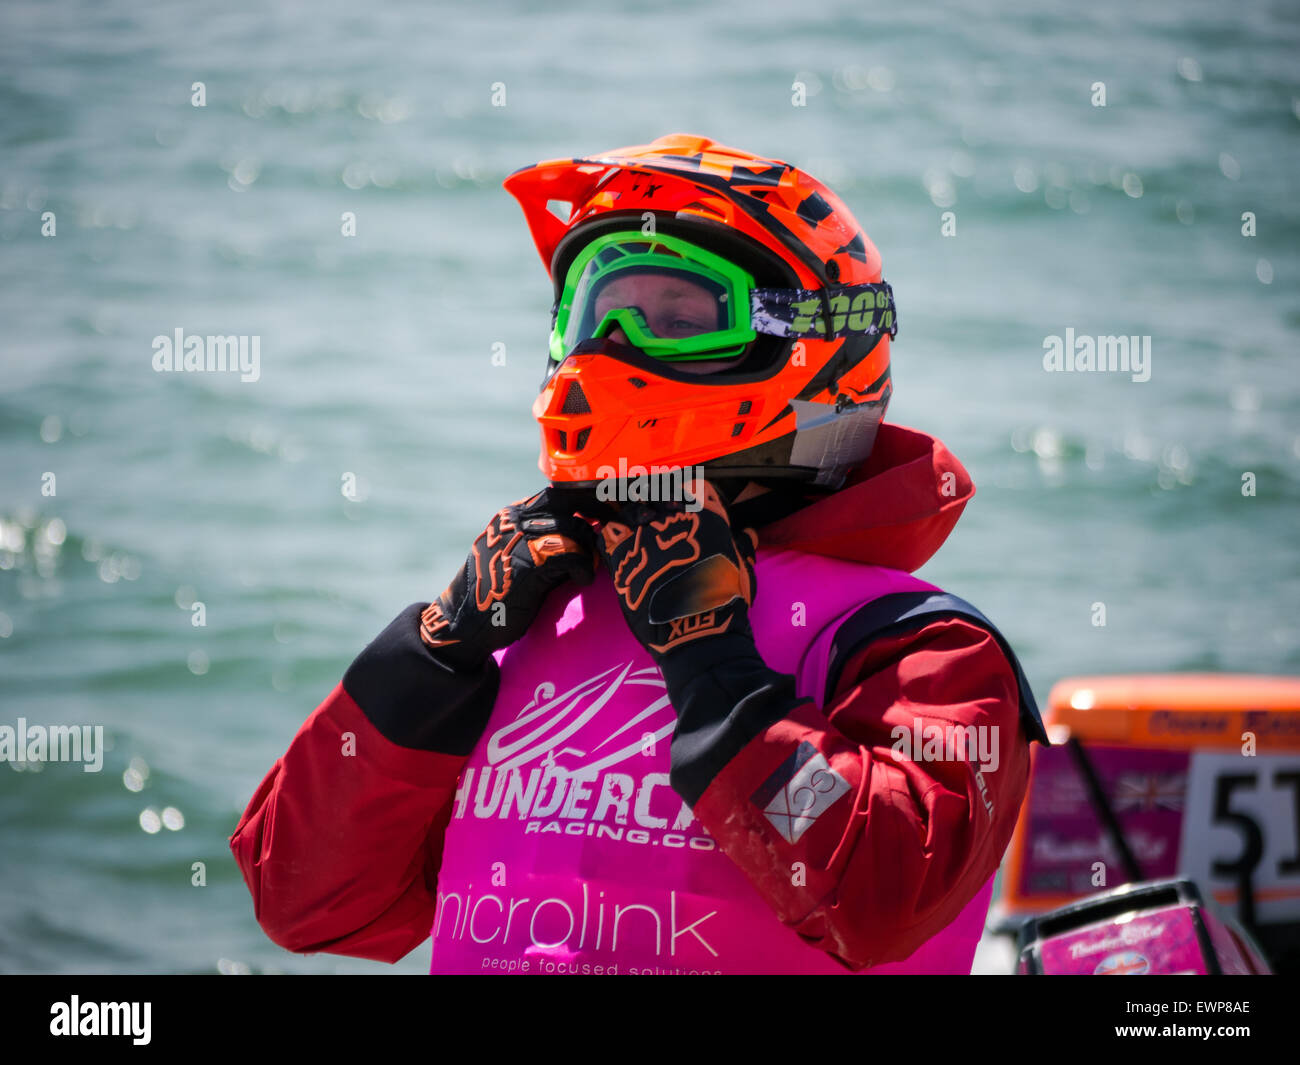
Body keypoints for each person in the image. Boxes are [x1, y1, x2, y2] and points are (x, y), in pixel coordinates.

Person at [230, 133, 1050, 975]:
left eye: (681, 319)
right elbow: (306, 901)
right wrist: (436, 655)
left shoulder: (927, 650)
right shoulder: (534, 607)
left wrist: (719, 677)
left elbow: (883, 894)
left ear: (808, 348)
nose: (616, 346)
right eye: (602, 312)